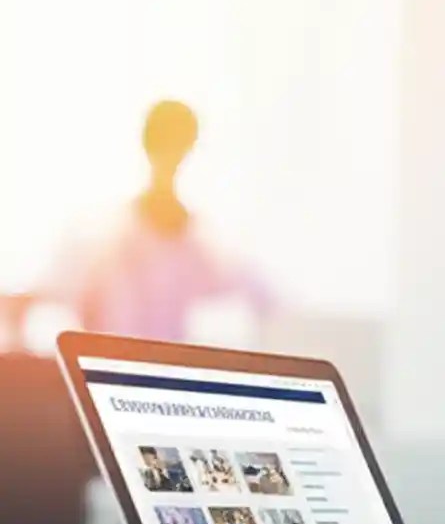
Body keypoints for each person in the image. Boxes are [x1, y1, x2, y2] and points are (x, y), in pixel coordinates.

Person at [16, 99, 272, 344]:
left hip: (167, 379)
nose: (170, 153)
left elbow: (268, 303)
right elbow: (31, 301)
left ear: (191, 148)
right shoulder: (96, 234)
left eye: (179, 142)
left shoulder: (206, 244)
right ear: (146, 142)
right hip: (104, 378)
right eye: (163, 140)